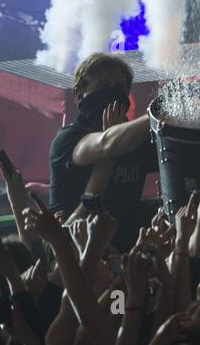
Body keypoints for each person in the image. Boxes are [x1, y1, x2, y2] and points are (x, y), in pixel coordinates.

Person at [48, 53, 157, 252]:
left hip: (126, 256)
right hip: (74, 253)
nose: (112, 92)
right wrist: (159, 111)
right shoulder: (69, 139)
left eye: (119, 87)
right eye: (103, 85)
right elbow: (107, 143)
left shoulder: (137, 141)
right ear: (79, 93)